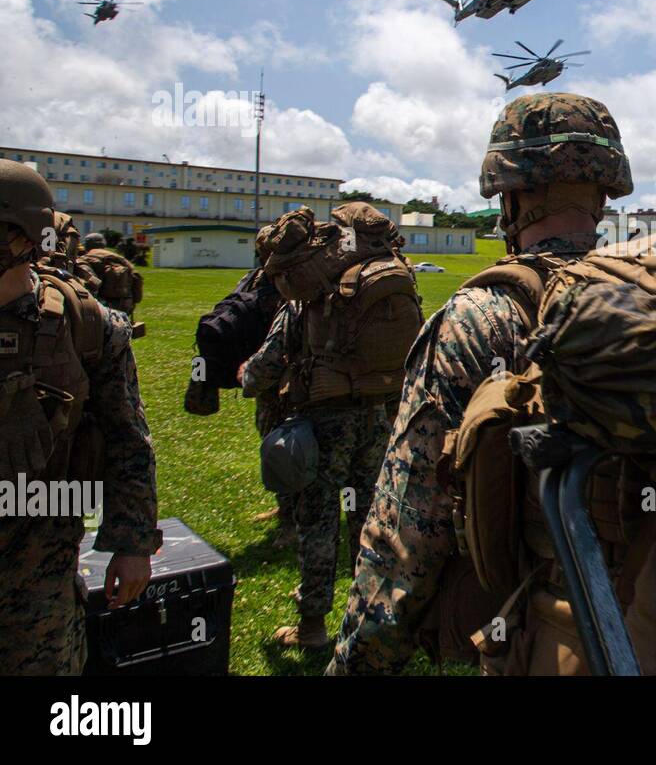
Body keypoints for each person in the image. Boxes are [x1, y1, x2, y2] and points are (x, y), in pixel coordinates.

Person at [326, 92, 633, 675]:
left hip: (552, 635)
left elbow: (406, 530)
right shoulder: (654, 294)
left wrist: (355, 662)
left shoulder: (482, 315)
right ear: (605, 190)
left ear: (513, 194)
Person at [0, 161, 160, 674]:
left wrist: (133, 544)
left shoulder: (87, 327)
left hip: (37, 562)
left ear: (26, 237)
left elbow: (128, 439)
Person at [241, 204, 422, 650]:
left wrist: (248, 377)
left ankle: (312, 626)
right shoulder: (390, 278)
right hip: (378, 414)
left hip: (324, 421)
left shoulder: (313, 292)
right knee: (369, 516)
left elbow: (268, 361)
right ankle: (375, 614)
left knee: (318, 522)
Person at [79, 231, 142, 317]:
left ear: (86, 245)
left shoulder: (85, 259)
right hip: (125, 306)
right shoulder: (120, 259)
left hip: (101, 309)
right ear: (103, 244)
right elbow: (137, 279)